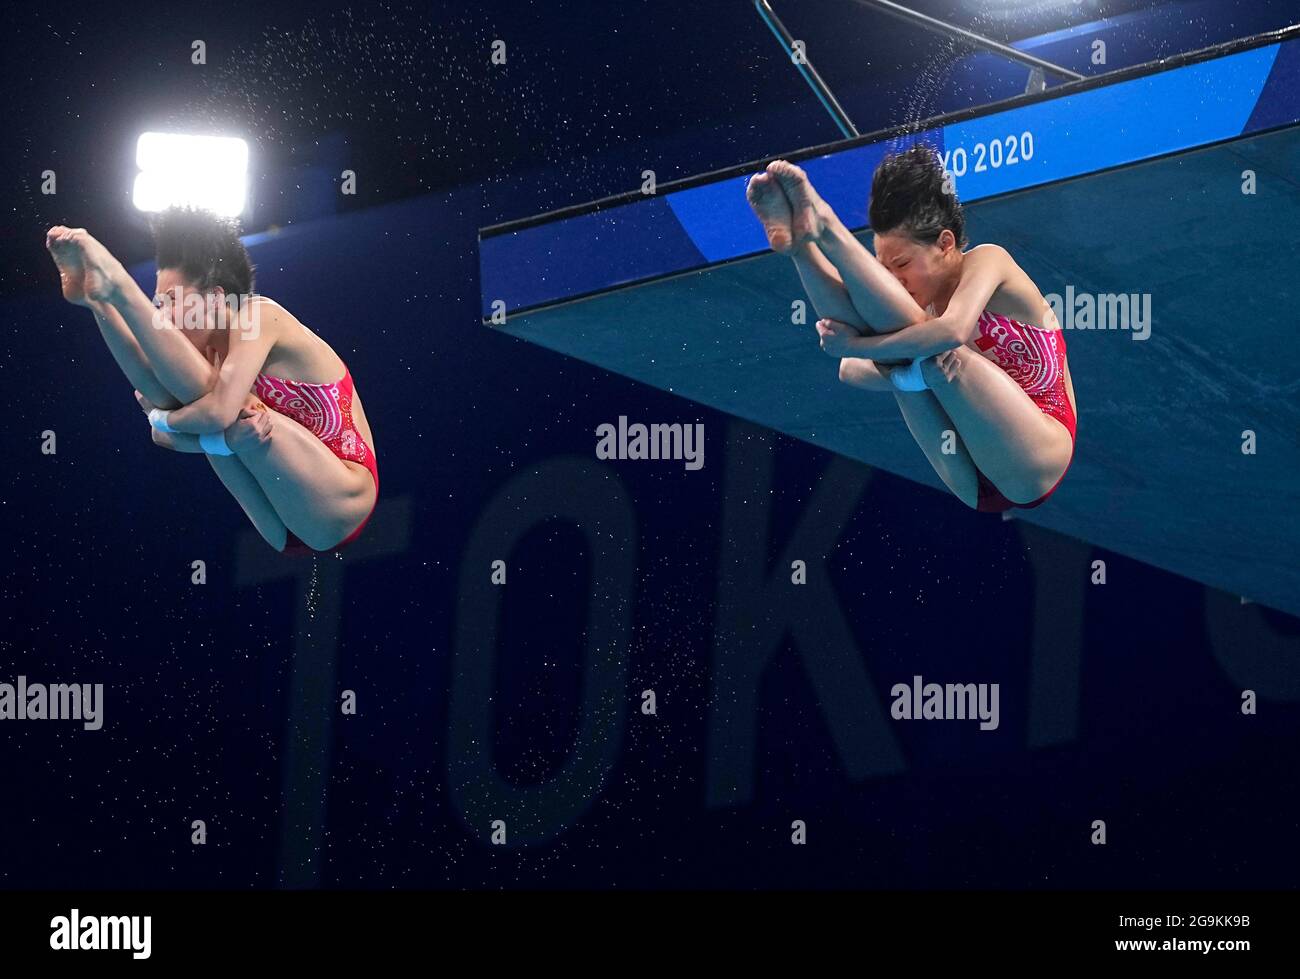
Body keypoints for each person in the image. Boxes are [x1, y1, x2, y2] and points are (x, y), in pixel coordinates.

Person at [746, 145, 1076, 512]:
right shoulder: (913, 307)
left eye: (901, 263)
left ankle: (826, 226)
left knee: (938, 350)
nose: (894, 279)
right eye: (884, 269)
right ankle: (801, 247)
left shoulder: (988, 261)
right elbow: (848, 369)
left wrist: (862, 347)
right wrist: (886, 362)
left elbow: (952, 330)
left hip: (1036, 456)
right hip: (970, 482)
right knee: (910, 356)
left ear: (945, 243)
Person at [45, 207, 378, 552]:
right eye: (158, 303)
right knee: (194, 399)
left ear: (216, 297)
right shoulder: (206, 361)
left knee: (235, 410)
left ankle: (119, 288)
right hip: (280, 526)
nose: (162, 317)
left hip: (342, 502)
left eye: (170, 301)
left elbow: (204, 419)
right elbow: (165, 436)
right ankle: (99, 301)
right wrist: (207, 434)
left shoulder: (260, 316)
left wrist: (168, 420)